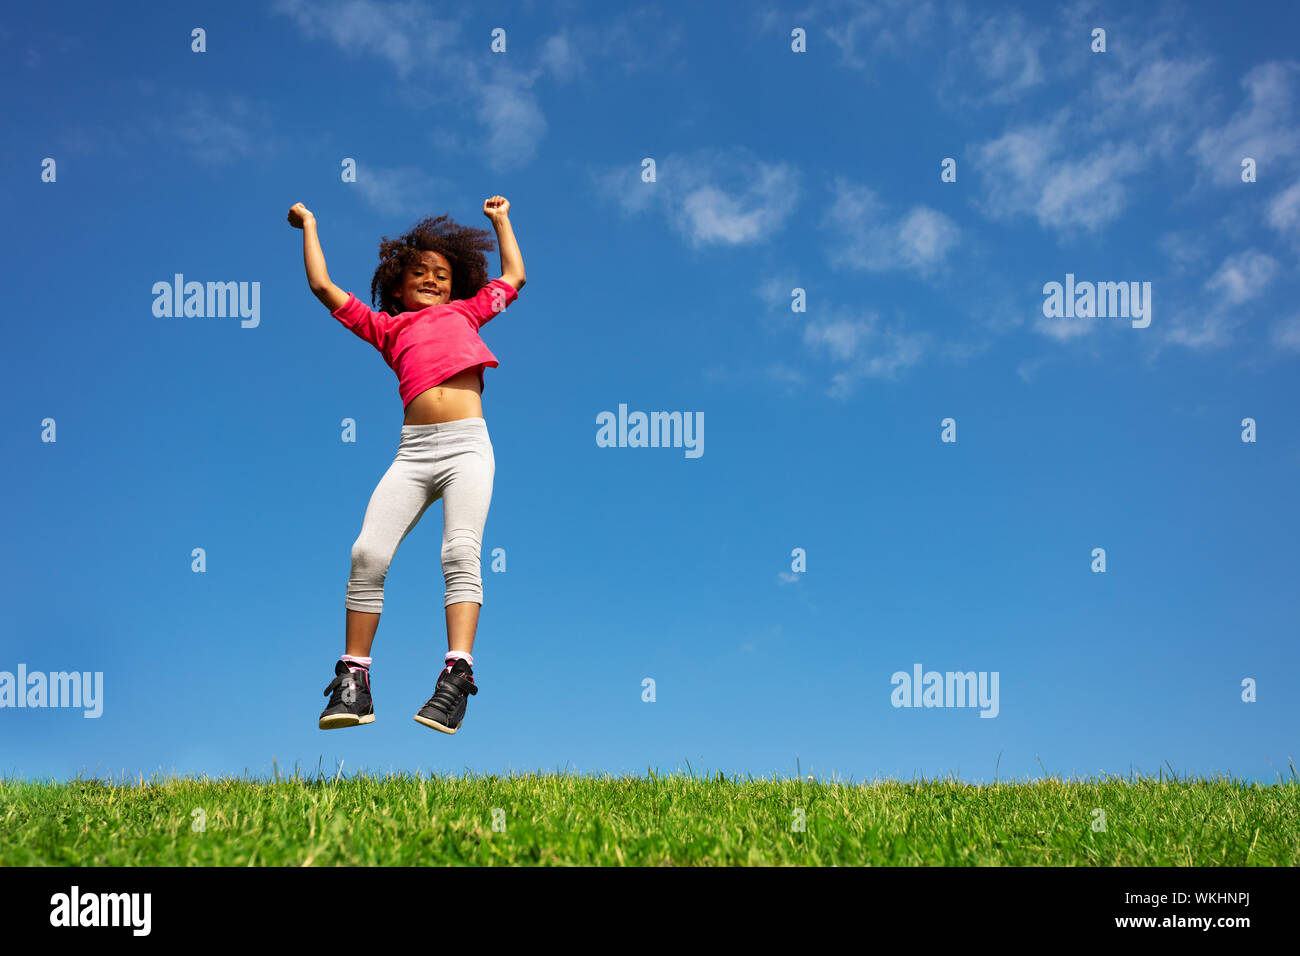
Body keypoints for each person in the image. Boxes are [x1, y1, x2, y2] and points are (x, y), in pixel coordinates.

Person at [286, 196, 526, 734]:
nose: (433, 281)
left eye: (442, 275)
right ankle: (354, 679)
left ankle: (457, 673)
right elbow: (324, 289)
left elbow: (515, 275)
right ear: (397, 284)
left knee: (459, 550)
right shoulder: (387, 328)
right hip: (413, 453)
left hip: (467, 446)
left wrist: (501, 220)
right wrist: (311, 225)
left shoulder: (467, 312)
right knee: (367, 552)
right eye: (420, 273)